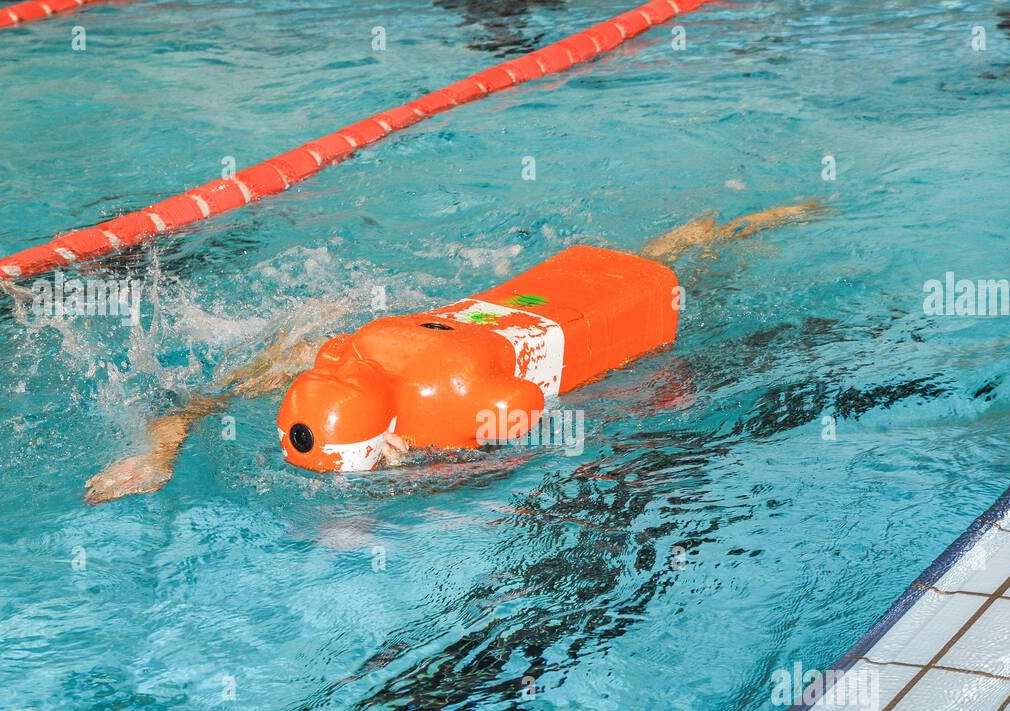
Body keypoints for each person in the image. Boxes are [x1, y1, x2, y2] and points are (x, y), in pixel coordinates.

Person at [84, 201, 819, 504]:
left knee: (678, 279)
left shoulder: (335, 365)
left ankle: (731, 229)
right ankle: (705, 237)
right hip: (470, 347)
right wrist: (159, 456)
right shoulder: (306, 367)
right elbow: (192, 404)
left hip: (550, 322)